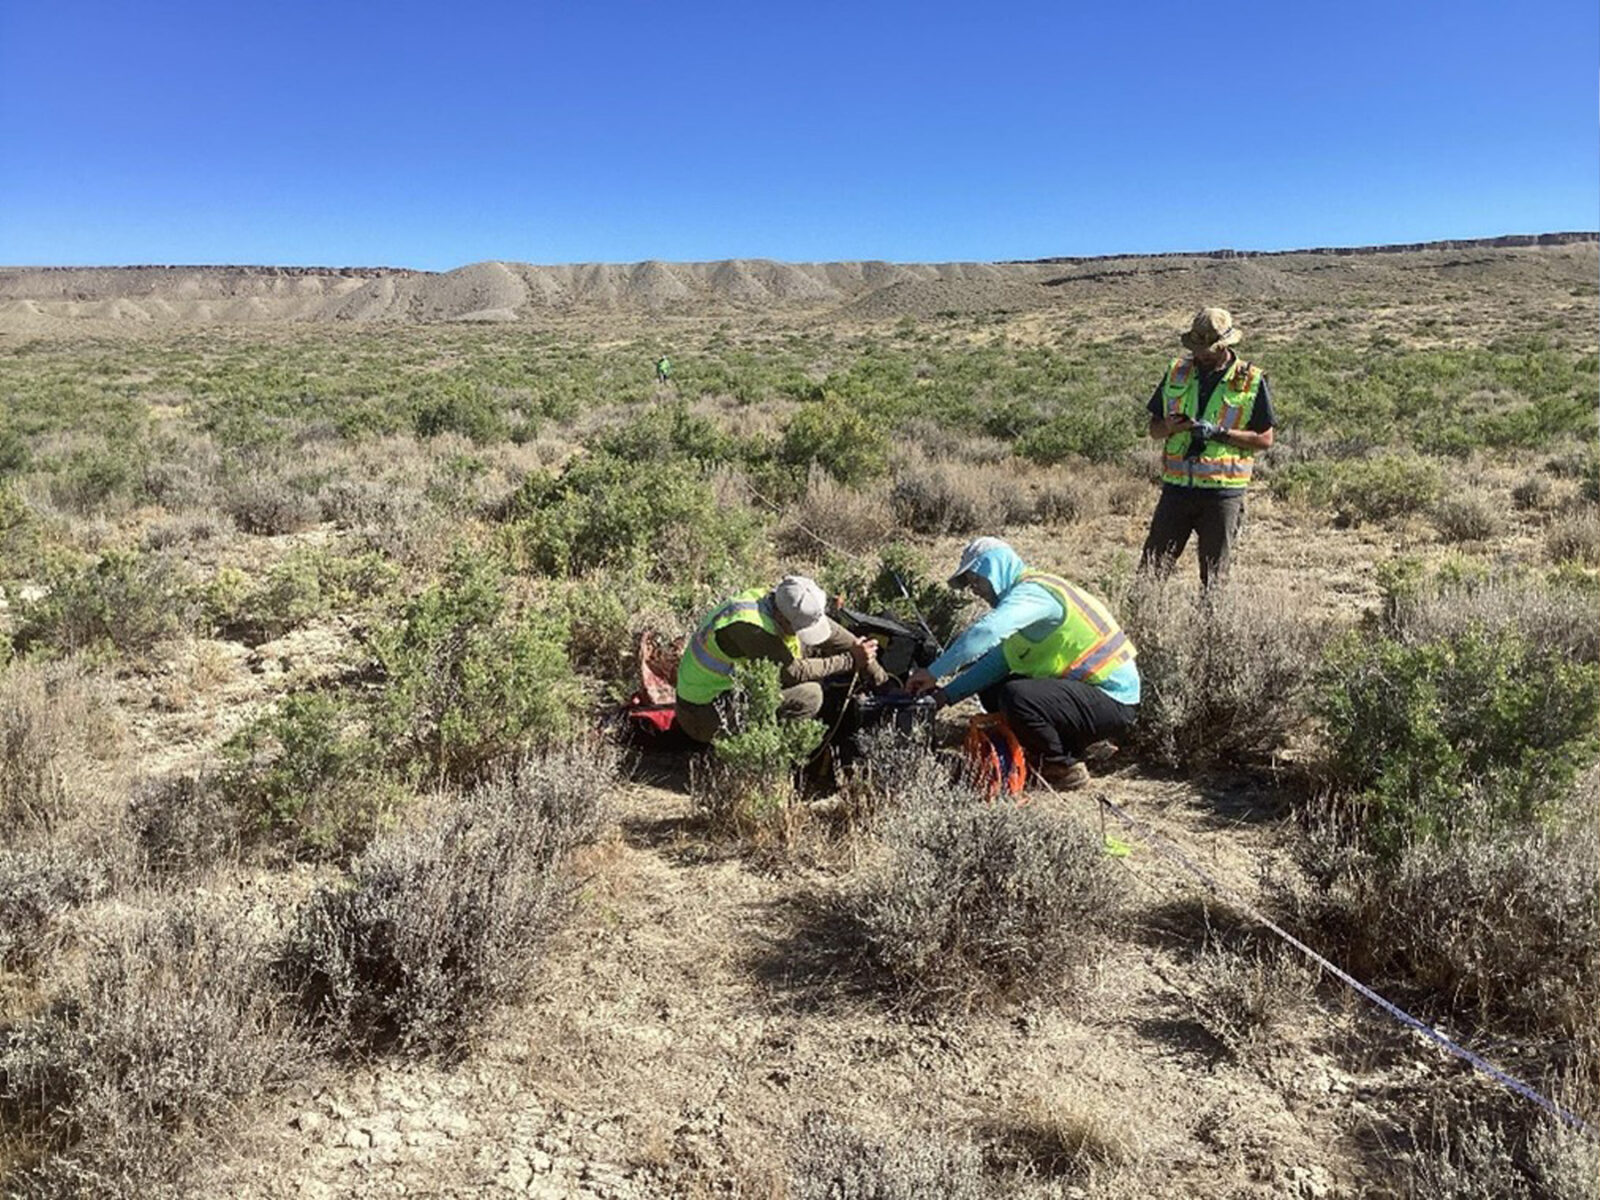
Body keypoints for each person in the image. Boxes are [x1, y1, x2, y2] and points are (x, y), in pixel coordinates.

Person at [906, 538, 1139, 790]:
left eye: (975, 580)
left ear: (994, 570)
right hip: (1087, 695)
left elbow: (987, 632)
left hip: (1113, 699)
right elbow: (996, 663)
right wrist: (944, 696)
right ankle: (1074, 742)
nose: (974, 590)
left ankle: (1060, 767)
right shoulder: (1029, 595)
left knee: (1017, 697)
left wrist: (933, 672)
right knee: (993, 685)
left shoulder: (1033, 593)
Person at [1139, 307, 1275, 586]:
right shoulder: (1177, 372)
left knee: (1215, 579)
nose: (1200, 355)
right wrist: (1170, 427)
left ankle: (1212, 629)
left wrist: (1218, 433)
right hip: (1176, 489)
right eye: (1196, 348)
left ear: (1225, 345)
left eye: (1208, 350)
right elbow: (1154, 429)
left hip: (1223, 493)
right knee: (1150, 572)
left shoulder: (1250, 380)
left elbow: (1264, 439)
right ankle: (1139, 624)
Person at [675, 575, 884, 744]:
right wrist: (850, 661)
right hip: (702, 714)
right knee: (810, 695)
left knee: (813, 663)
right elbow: (792, 673)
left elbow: (840, 638)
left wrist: (880, 678)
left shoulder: (783, 601)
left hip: (726, 696)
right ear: (782, 616)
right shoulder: (750, 627)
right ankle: (772, 762)